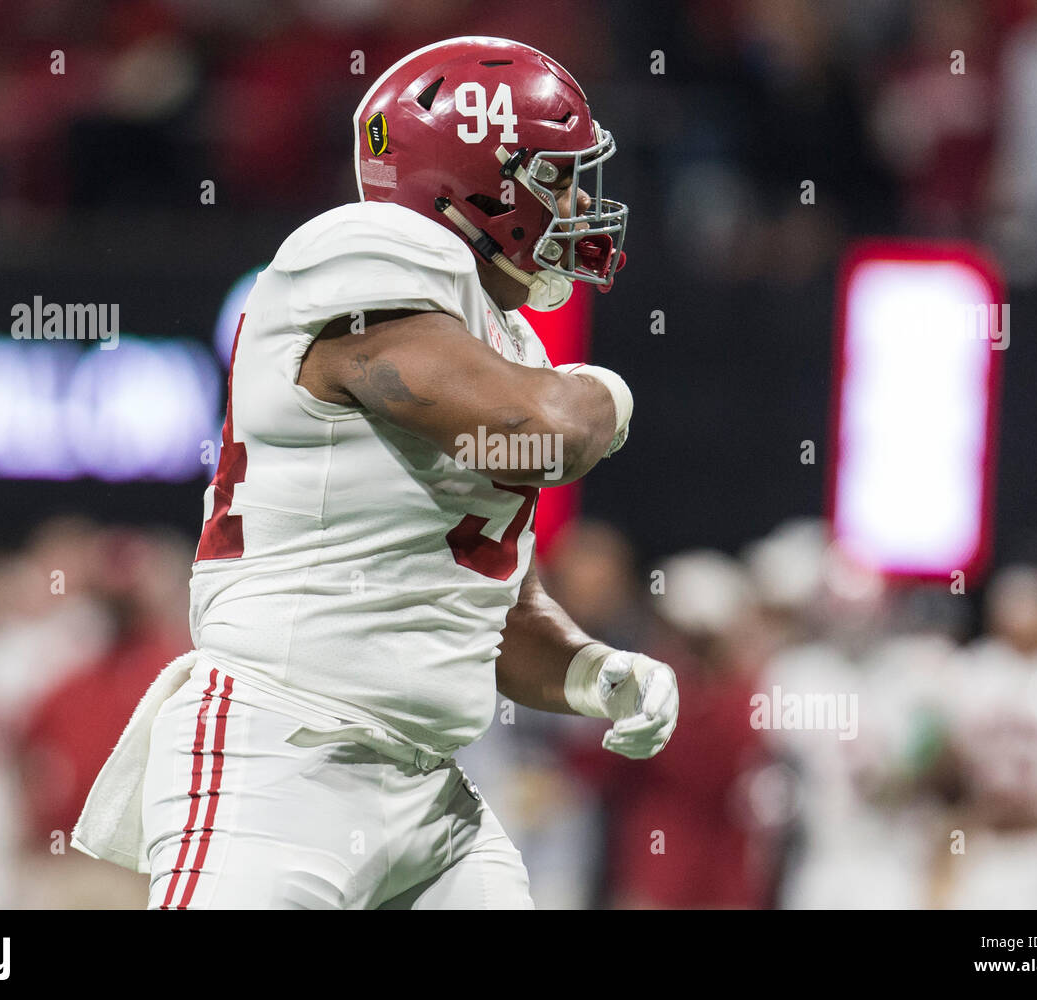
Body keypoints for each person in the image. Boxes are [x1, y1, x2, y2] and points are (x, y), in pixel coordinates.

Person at [75, 35, 678, 910]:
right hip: (281, 754)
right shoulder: (366, 252)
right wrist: (603, 394)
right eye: (555, 176)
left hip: (428, 791)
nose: (580, 202)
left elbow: (490, 601)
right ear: (474, 184)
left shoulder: (503, 341)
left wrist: (591, 671)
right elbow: (542, 432)